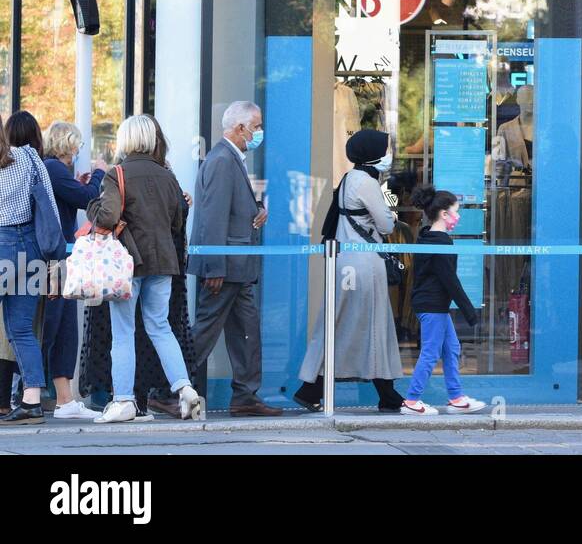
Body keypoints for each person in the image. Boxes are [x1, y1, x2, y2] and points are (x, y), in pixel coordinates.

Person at [86, 115, 203, 423]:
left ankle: (123, 400)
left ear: (125, 139)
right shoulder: (167, 176)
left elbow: (107, 217)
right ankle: (185, 389)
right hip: (163, 262)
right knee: (161, 328)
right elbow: (177, 221)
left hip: (127, 264)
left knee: (123, 333)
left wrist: (92, 206)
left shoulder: (117, 174)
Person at [295, 129, 404, 413]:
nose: (388, 154)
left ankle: (315, 388)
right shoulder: (366, 182)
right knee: (372, 326)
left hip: (345, 260)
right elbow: (385, 225)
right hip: (365, 264)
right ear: (373, 153)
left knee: (341, 324)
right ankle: (315, 389)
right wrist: (392, 215)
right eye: (385, 149)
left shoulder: (348, 179)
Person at [189, 100, 281, 416]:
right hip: (225, 266)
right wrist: (214, 263)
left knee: (247, 331)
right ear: (240, 128)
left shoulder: (231, 159)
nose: (259, 133)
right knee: (205, 330)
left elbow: (228, 211)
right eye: (256, 126)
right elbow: (210, 217)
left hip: (238, 266)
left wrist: (255, 211)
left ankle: (245, 395)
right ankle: (169, 387)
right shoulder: (221, 161)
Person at [40, 120, 105, 420]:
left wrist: (78, 182)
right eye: (77, 144)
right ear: (67, 144)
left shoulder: (53, 170)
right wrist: (101, 173)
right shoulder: (53, 168)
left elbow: (72, 198)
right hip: (58, 261)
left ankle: (62, 397)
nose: (79, 150)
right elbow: (87, 199)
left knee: (61, 325)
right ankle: (60, 399)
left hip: (59, 259)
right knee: (60, 326)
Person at [401, 187, 486, 415]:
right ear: (443, 214)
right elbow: (449, 279)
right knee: (430, 352)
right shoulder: (440, 241)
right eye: (455, 212)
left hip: (433, 304)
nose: (458, 217)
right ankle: (411, 400)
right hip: (432, 305)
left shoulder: (428, 236)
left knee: (452, 348)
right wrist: (469, 310)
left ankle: (456, 396)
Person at [0, 115, 58, 424]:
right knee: (22, 329)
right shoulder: (29, 155)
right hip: (33, 247)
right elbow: (47, 201)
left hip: (2, 243)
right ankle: (31, 401)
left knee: (17, 329)